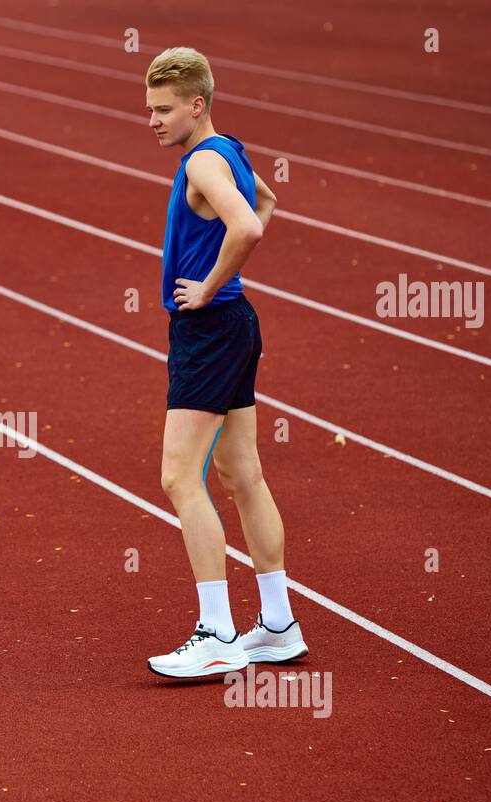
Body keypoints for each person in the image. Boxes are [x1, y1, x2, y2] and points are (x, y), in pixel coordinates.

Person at [142, 47, 308, 679]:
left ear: (197, 104)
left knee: (180, 478)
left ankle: (216, 632)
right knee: (243, 475)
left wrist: (208, 286)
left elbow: (249, 225)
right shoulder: (230, 150)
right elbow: (266, 199)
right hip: (236, 324)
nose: (153, 120)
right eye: (149, 109)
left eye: (163, 110)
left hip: (209, 328)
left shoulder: (203, 163)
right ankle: (278, 625)